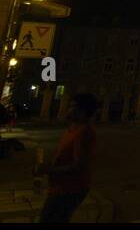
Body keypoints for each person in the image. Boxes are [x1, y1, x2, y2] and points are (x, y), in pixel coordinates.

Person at [35, 93, 99, 223]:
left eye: (72, 106)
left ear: (83, 111)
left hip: (71, 188)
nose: (67, 109)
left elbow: (79, 166)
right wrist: (48, 165)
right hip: (60, 186)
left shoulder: (84, 132)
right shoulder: (72, 129)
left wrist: (48, 170)